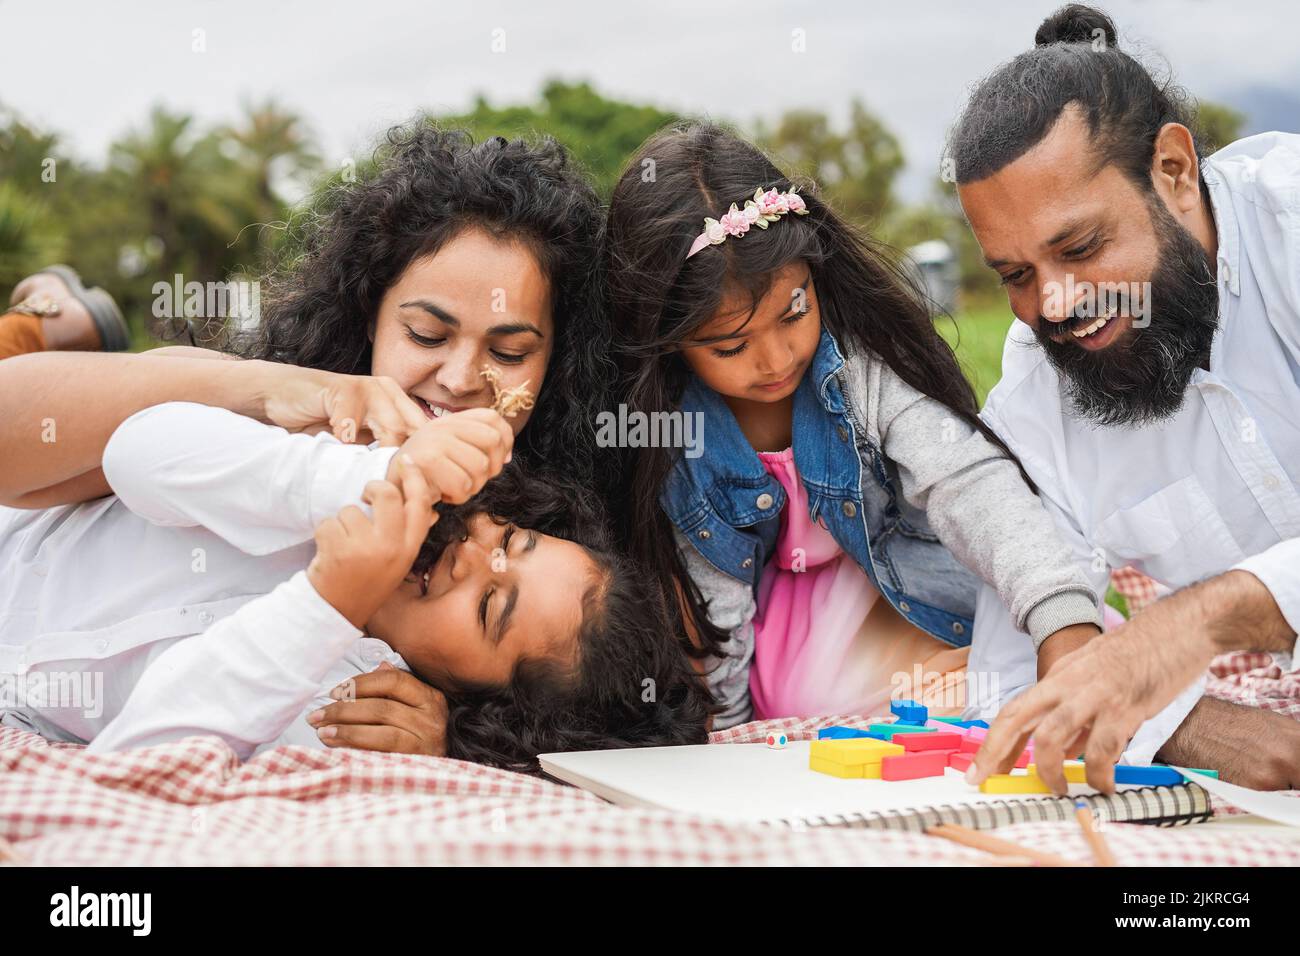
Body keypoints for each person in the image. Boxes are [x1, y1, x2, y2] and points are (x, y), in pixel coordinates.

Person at [0, 125, 620, 753]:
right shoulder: (299, 415)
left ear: (557, 362)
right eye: (428, 336)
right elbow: (119, 450)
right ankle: (51, 320)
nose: (459, 382)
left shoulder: (541, 531)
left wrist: (457, 734)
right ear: (369, 315)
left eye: (510, 351)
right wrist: (286, 397)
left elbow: (563, 691)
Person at [602, 122, 1105, 728]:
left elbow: (968, 483)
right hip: (804, 632)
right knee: (827, 701)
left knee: (1048, 645)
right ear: (668, 342)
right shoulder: (677, 438)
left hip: (917, 579)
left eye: (795, 312)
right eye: (731, 347)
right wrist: (731, 741)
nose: (777, 359)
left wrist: (1061, 619)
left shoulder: (860, 373)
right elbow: (715, 611)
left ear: (815, 275)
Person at [946, 4, 1300, 790]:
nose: (1055, 304)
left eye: (1079, 248)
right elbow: (1017, 687)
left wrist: (1193, 623)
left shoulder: (1291, 220)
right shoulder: (1034, 404)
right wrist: (1197, 728)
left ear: (1174, 171)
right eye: (1015, 275)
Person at [0, 401, 711, 769]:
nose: (473, 556)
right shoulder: (351, 487)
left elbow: (137, 757)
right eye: (511, 540)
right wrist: (365, 480)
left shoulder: (363, 717)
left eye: (491, 606)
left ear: (477, 703)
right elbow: (135, 453)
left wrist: (326, 606)